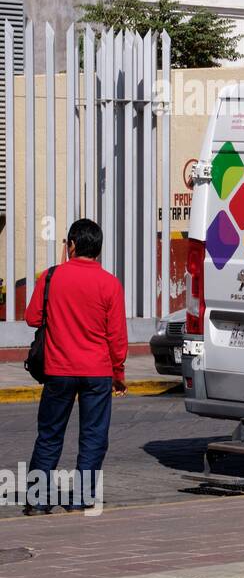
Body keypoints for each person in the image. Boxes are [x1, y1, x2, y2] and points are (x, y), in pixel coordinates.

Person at [24, 219, 127, 514]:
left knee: (50, 434)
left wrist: (55, 280)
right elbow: (117, 336)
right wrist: (118, 373)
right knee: (94, 436)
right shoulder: (110, 283)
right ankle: (81, 497)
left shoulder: (52, 276)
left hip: (58, 369)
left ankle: (38, 499)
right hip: (97, 372)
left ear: (70, 245)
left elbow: (33, 318)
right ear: (98, 248)